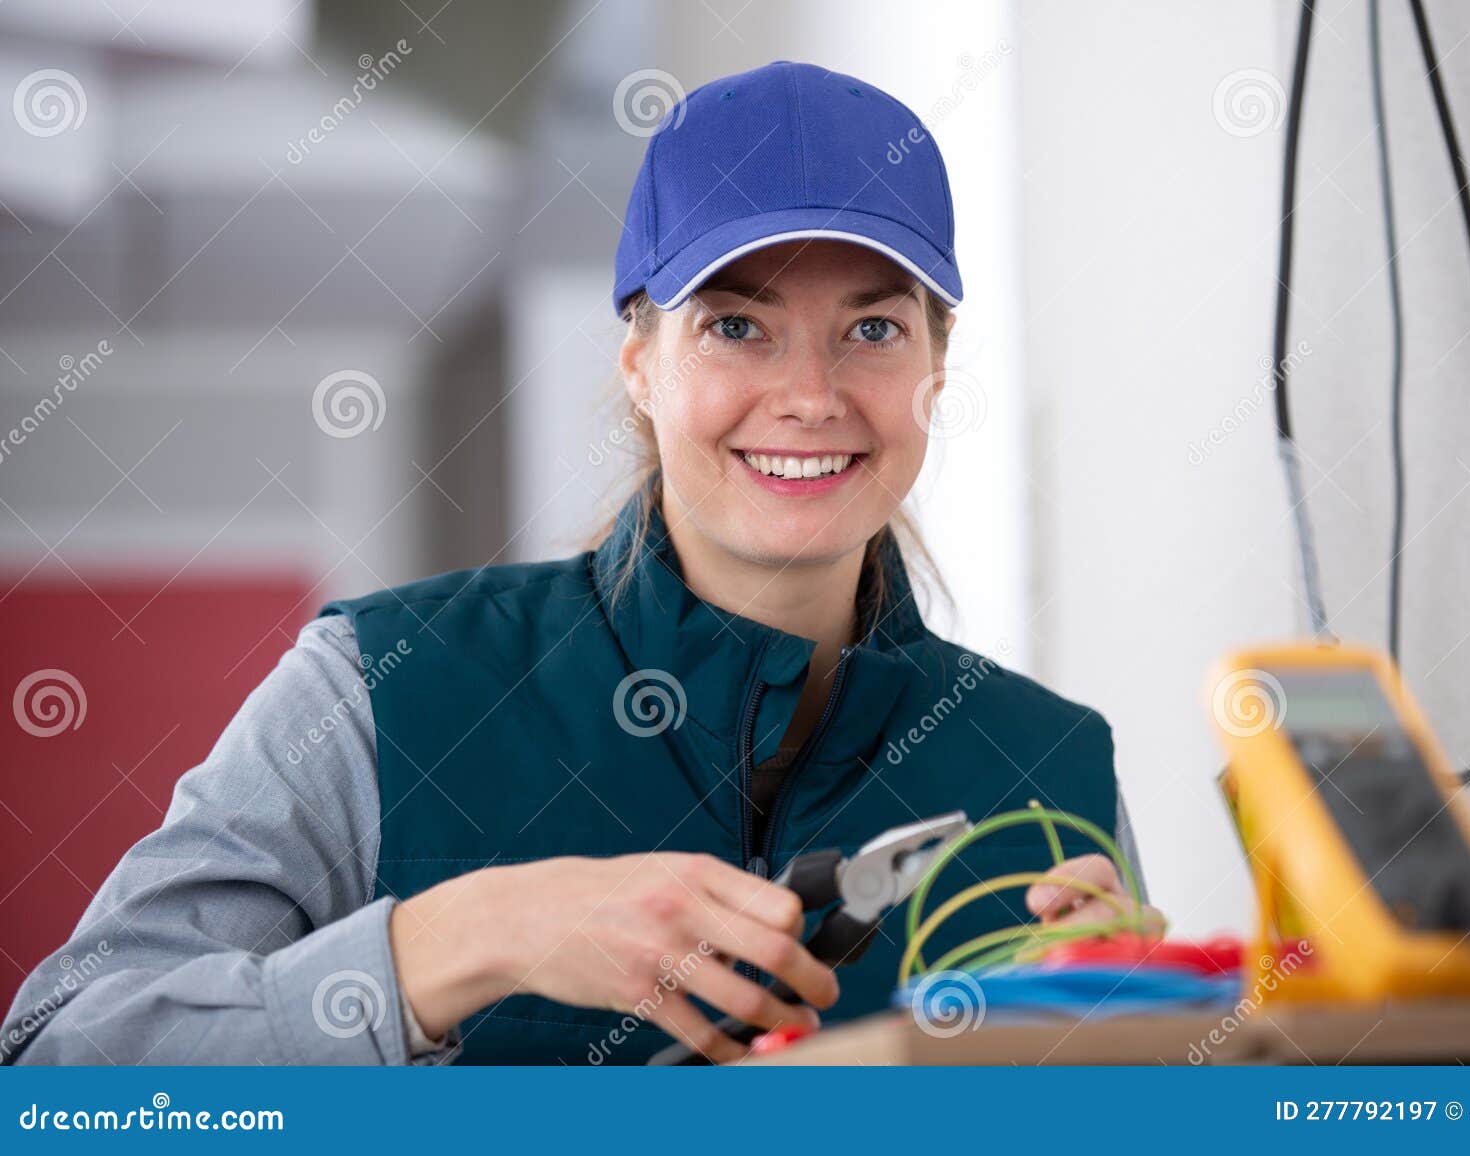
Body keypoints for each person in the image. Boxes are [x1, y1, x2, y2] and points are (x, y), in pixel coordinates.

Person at [2, 60, 1156, 1067]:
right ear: (641, 365)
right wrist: (458, 939)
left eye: (872, 329)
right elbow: (60, 1071)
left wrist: (1140, 1058)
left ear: (934, 372)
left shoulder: (1049, 770)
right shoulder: (376, 686)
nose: (809, 397)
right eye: (734, 325)